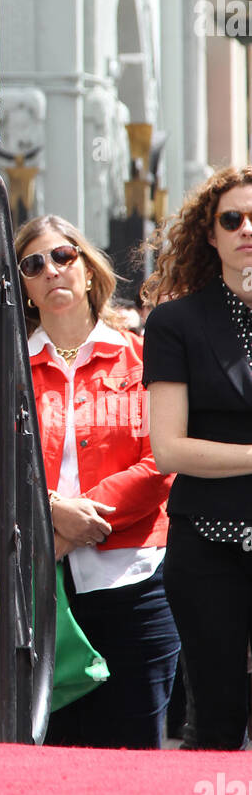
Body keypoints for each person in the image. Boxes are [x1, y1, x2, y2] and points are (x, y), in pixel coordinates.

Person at [0, 215, 179, 748]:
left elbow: (160, 463)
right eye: (33, 265)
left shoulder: (142, 357)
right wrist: (51, 514)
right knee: (46, 763)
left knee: (136, 765)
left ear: (89, 271)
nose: (51, 271)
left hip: (134, 586)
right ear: (23, 288)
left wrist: (77, 517)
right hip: (38, 595)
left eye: (64, 256)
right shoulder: (1, 373)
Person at [142, 166, 252, 749]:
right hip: (208, 542)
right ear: (210, 235)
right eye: (231, 219)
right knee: (215, 720)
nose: (246, 229)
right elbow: (168, 449)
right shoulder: (175, 322)